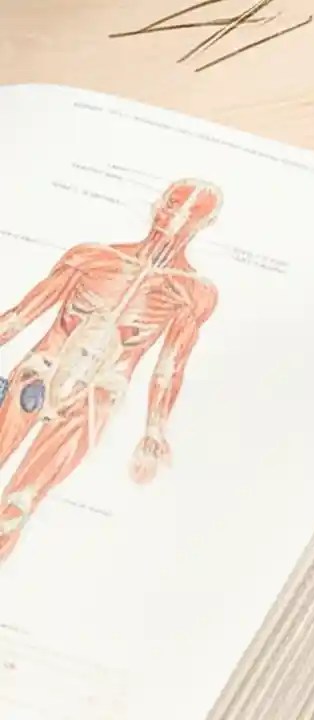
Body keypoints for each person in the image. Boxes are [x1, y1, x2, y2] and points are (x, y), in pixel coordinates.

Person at [0, 178, 221, 561]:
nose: (176, 219)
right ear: (157, 204)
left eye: (190, 214)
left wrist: (154, 429)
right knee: (27, 395)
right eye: (172, 205)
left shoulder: (192, 292)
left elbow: (169, 365)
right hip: (39, 372)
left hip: (95, 396)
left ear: (204, 225)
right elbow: (21, 316)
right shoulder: (92, 258)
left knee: (21, 501)